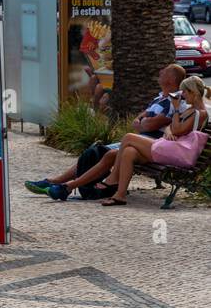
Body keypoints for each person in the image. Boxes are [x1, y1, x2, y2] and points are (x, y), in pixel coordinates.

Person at [28, 64, 182, 197]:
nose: (161, 72)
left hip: (150, 145)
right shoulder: (160, 97)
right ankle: (60, 183)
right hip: (139, 141)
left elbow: (150, 125)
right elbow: (141, 118)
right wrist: (143, 121)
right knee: (96, 151)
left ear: (172, 80)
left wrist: (143, 122)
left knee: (104, 153)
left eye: (165, 71)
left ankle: (66, 186)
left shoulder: (173, 101)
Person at [93, 75, 209, 206]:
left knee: (128, 137)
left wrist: (175, 109)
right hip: (172, 147)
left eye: (185, 92)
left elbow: (177, 129)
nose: (182, 95)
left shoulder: (201, 113)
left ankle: (113, 179)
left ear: (193, 92)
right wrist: (169, 131)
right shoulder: (190, 110)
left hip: (179, 153)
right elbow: (169, 128)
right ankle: (120, 195)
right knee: (129, 152)